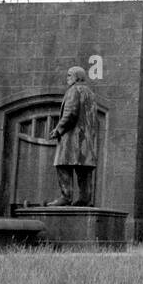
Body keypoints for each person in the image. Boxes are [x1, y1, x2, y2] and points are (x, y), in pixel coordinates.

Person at [46, 66, 98, 206]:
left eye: (69, 75)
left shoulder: (73, 91)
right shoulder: (90, 94)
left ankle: (66, 197)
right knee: (84, 169)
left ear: (77, 77)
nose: (67, 78)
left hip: (72, 138)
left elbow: (70, 113)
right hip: (86, 140)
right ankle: (85, 199)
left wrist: (58, 130)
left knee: (62, 164)